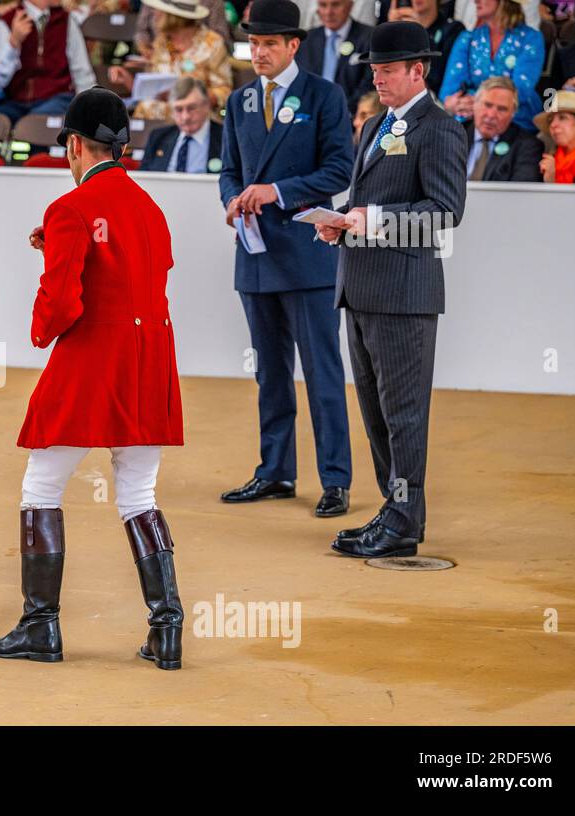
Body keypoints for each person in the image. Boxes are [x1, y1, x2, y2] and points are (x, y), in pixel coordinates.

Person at [0, 88, 187, 671]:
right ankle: (165, 628)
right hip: (149, 360)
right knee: (138, 495)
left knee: (43, 484)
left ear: (73, 145)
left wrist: (41, 327)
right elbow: (142, 266)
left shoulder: (69, 208)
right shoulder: (149, 206)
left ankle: (40, 625)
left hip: (94, 358)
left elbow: (64, 303)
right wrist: (63, 246)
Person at [314, 21, 468, 558]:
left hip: (404, 293)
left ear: (416, 70)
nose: (376, 78)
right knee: (378, 416)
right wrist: (341, 222)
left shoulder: (440, 129)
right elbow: (368, 202)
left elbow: (445, 214)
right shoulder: (375, 125)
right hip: (360, 290)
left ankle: (404, 518)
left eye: (386, 70)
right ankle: (394, 510)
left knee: (402, 416)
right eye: (374, 69)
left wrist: (370, 220)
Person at [217, 0, 356, 519]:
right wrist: (231, 200)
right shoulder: (240, 101)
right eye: (253, 44)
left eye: (269, 44)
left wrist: (277, 190)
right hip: (255, 256)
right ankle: (275, 470)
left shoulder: (324, 95)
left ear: (293, 45)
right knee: (270, 374)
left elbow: (340, 170)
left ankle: (335, 479)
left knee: (322, 372)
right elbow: (229, 169)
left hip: (308, 256)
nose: (258, 52)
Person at [108, 0, 232, 121]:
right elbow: (153, 91)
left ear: (173, 17)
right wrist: (129, 81)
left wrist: (186, 97)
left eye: (159, 10)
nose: (154, 13)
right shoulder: (162, 42)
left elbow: (224, 92)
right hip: (151, 122)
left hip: (190, 121)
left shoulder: (212, 43)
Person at [440, 0, 544, 132]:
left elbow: (521, 91)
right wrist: (455, 103)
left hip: (517, 120)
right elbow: (449, 91)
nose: (475, 1)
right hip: (469, 119)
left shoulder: (531, 38)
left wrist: (481, 104)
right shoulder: (468, 38)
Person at [0, 0, 97, 121]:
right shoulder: (6, 22)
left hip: (58, 99)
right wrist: (14, 42)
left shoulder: (67, 20)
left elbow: (82, 73)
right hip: (16, 103)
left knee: (36, 121)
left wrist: (90, 108)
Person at [296, 0, 375, 111]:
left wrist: (339, 112)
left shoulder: (369, 37)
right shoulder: (305, 40)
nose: (329, 12)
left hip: (352, 116)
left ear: (350, 5)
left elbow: (369, 83)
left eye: (336, 5)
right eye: (323, 5)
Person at [463, 76, 541, 181]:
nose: (491, 115)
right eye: (487, 105)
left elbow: (521, 193)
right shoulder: (452, 136)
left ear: (513, 113)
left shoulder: (527, 146)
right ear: (474, 104)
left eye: (502, 109)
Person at [382, 0, 465, 97]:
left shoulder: (453, 29)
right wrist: (390, 33)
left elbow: (436, 78)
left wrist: (418, 36)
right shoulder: (400, 31)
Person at [140, 77, 225, 172]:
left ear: (206, 105)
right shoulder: (158, 137)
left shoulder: (226, 138)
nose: (185, 117)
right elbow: (145, 179)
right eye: (179, 110)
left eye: (192, 108)